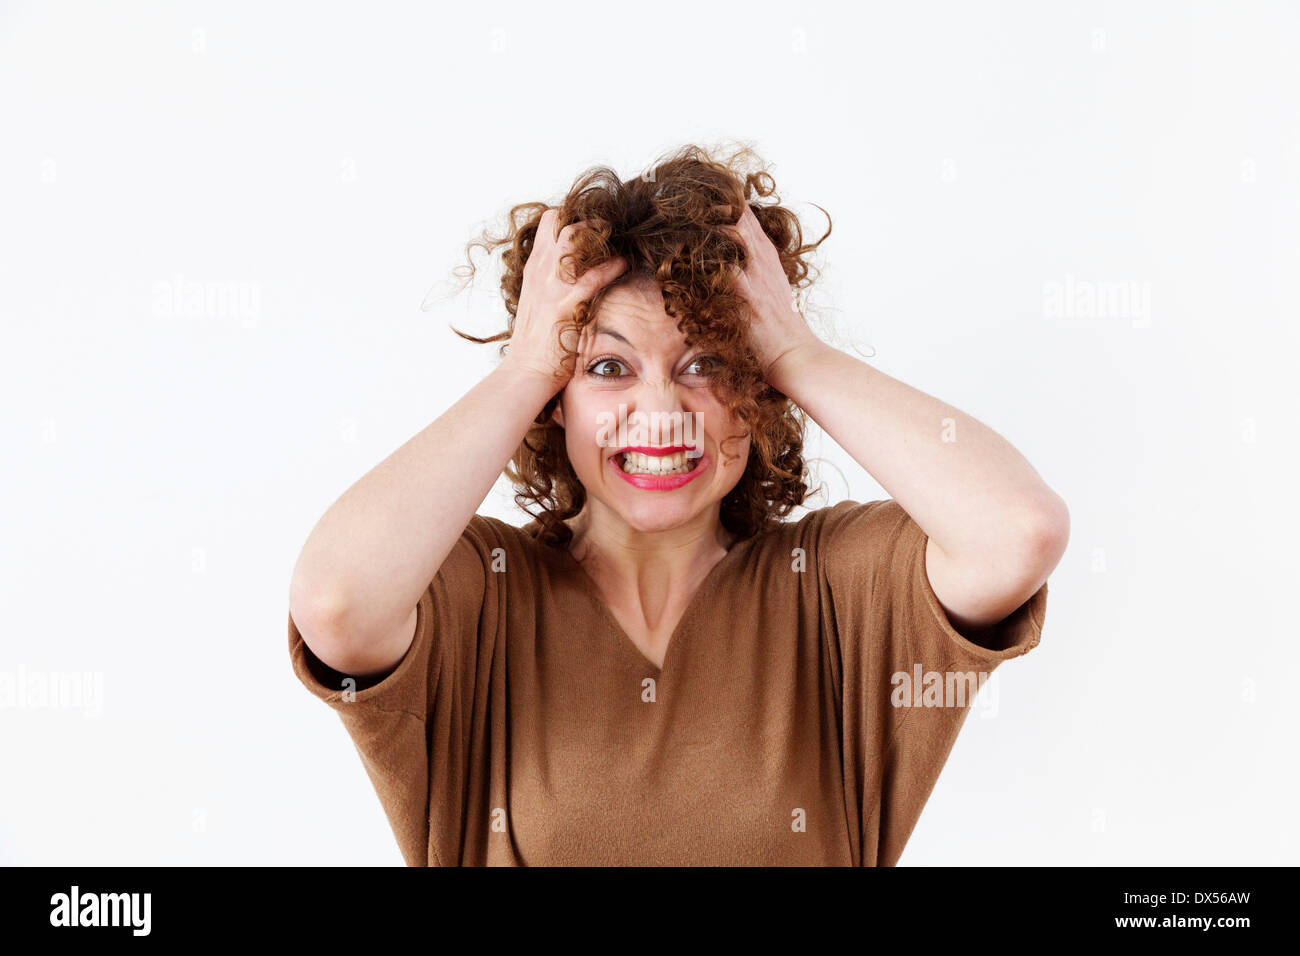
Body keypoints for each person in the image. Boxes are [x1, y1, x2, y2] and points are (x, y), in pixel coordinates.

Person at [286, 144, 1069, 866]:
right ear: (558, 397)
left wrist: (797, 352)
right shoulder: (482, 591)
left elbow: (1017, 533)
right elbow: (335, 602)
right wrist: (525, 367)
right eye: (606, 367)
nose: (660, 410)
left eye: (704, 363)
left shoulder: (831, 588)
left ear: (755, 388)